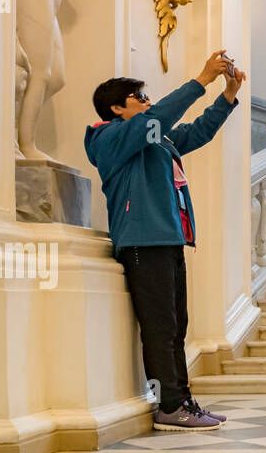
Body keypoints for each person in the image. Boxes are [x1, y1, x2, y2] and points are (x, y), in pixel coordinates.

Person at [84, 50, 245, 432]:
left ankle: (181, 400)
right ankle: (169, 405)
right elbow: (158, 118)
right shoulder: (109, 137)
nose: (147, 102)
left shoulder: (154, 140)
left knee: (175, 326)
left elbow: (197, 131)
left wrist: (227, 95)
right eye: (139, 97)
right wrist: (202, 80)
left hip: (167, 239)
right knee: (159, 327)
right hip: (142, 241)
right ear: (117, 108)